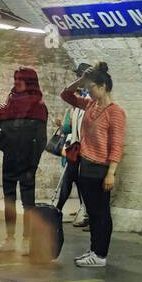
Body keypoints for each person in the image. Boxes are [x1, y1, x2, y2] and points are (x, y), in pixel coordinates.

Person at [60, 62, 125, 268]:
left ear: (103, 86)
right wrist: (81, 79)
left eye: (91, 87)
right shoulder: (90, 105)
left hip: (101, 168)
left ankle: (100, 254)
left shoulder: (115, 112)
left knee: (101, 212)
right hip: (85, 165)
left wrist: (111, 173)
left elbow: (116, 144)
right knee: (92, 211)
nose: (88, 90)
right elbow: (66, 95)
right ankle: (94, 249)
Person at [0, 68, 49, 255]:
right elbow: (6, 126)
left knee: (28, 203)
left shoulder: (38, 107)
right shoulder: (11, 102)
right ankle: (9, 239)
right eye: (15, 78)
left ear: (30, 82)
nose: (16, 81)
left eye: (20, 79)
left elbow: (41, 140)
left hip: (27, 162)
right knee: (9, 200)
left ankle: (26, 240)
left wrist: (33, 165)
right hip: (10, 158)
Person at [54, 64, 90, 225]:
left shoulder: (90, 102)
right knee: (69, 180)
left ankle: (88, 215)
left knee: (83, 184)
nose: (78, 80)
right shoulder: (77, 104)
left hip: (87, 151)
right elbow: (65, 93)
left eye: (80, 77)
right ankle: (57, 210)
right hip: (75, 149)